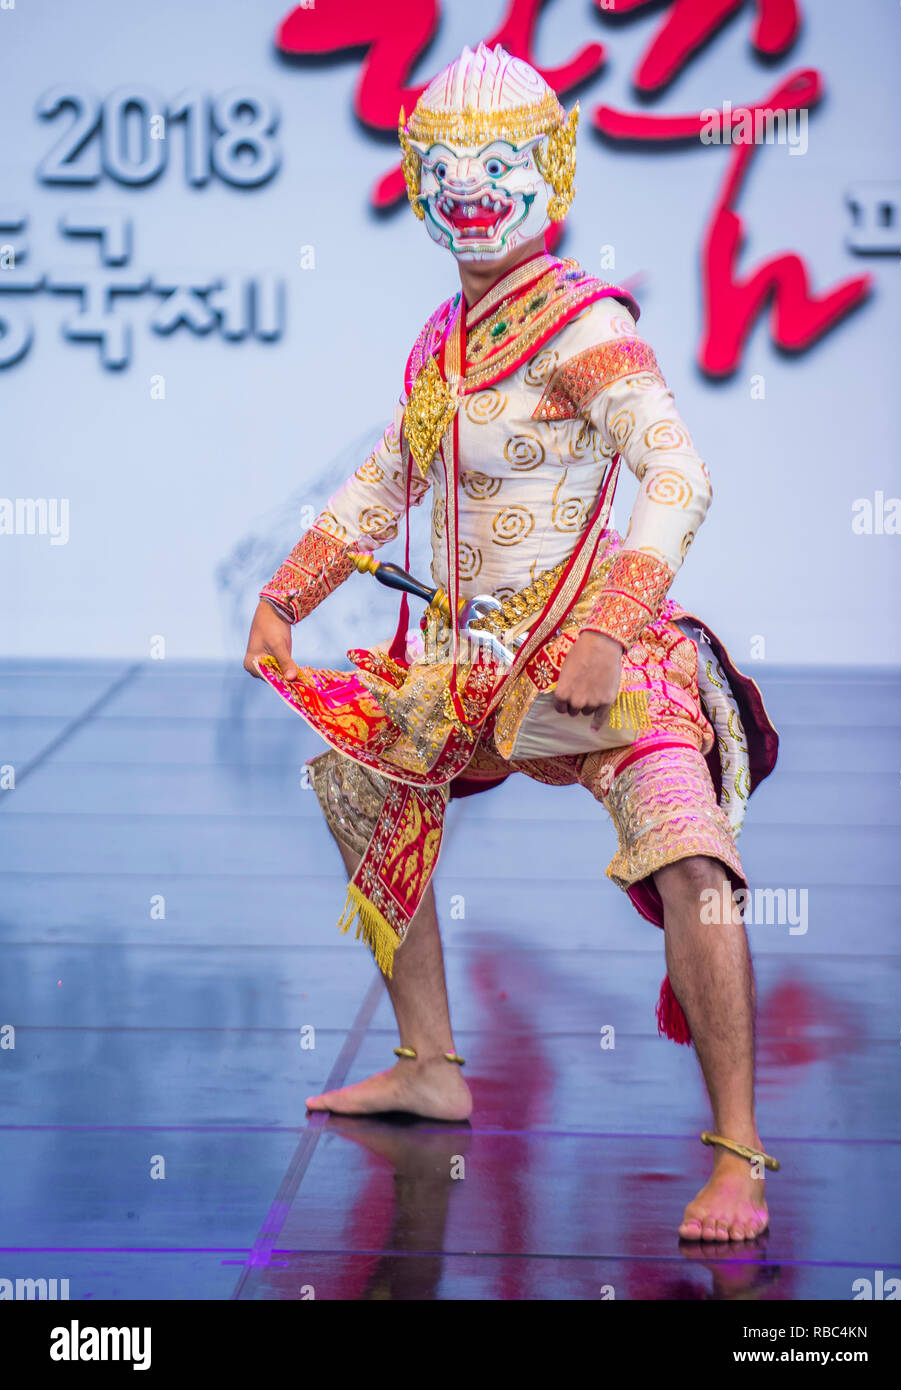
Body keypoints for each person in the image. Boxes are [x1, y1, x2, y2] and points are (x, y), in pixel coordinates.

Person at [244, 43, 779, 1243]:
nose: (473, 189)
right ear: (417, 180)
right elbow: (390, 476)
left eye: (499, 163)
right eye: (448, 167)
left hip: (604, 659)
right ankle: (431, 1064)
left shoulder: (583, 325)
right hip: (473, 669)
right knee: (359, 780)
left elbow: (680, 475)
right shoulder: (446, 335)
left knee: (689, 855)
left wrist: (609, 632)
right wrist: (290, 591)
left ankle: (739, 1152)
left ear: (551, 170)